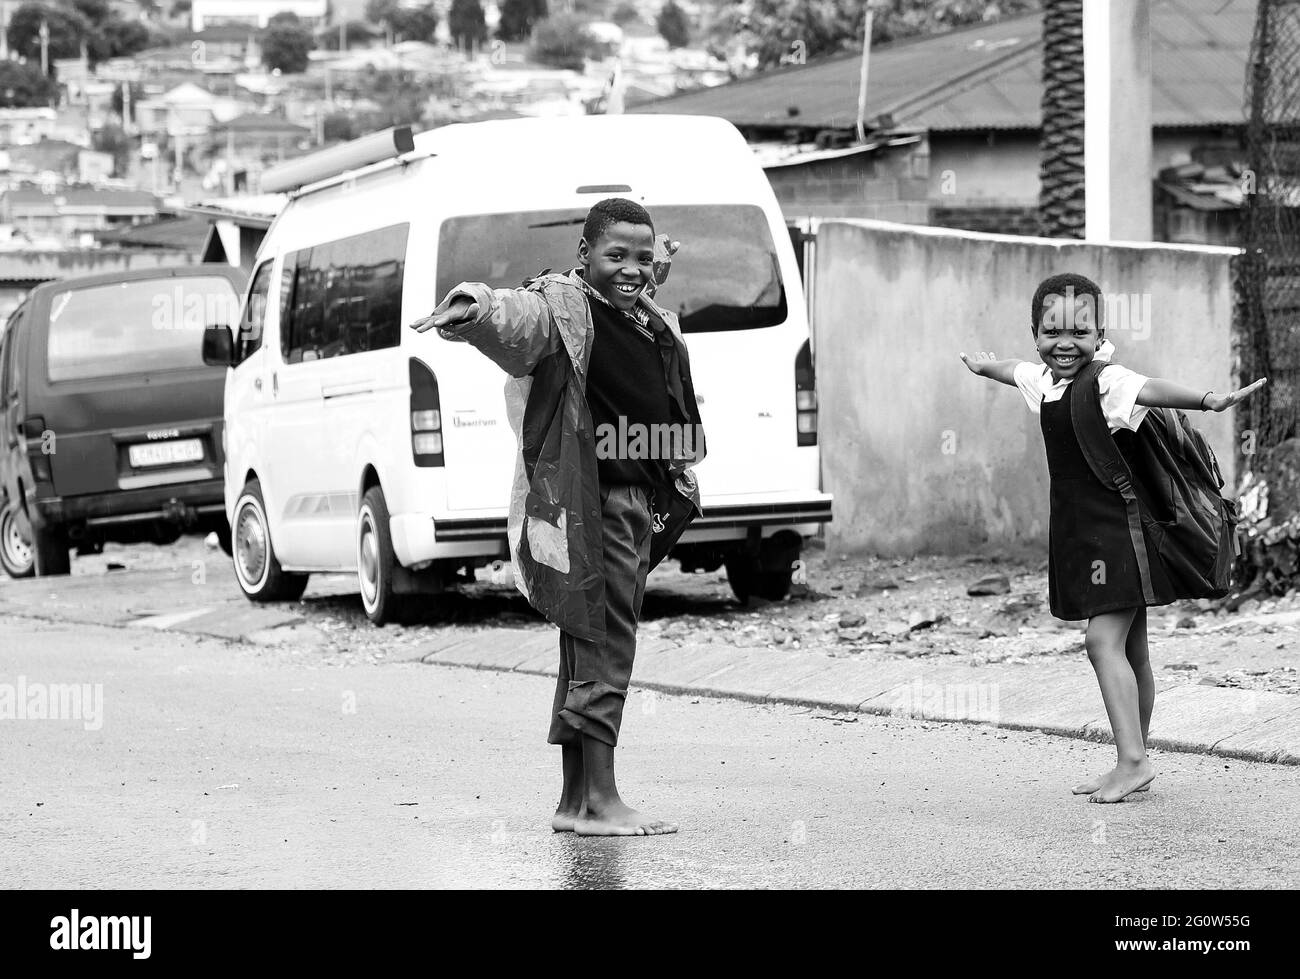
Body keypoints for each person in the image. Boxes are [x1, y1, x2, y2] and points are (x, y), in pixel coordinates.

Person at [410, 198, 705, 835]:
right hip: (595, 505)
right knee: (605, 644)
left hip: (622, 502)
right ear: (583, 256)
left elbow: (636, 293)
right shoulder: (564, 310)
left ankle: (574, 802)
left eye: (642, 259)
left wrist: (649, 277)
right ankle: (603, 802)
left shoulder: (632, 310)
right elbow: (520, 316)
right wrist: (475, 308)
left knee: (581, 643)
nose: (631, 270)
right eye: (615, 256)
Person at [960, 273, 1265, 803]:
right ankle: (1134, 756)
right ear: (1034, 333)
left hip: (1121, 536)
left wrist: (1208, 399)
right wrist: (986, 367)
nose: (1065, 343)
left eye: (1080, 332)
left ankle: (1132, 761)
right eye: (1052, 331)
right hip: (1088, 537)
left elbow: (1151, 387)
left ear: (1099, 334)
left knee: (1101, 643)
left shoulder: (1106, 382)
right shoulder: (1046, 383)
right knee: (1133, 651)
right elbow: (1017, 373)